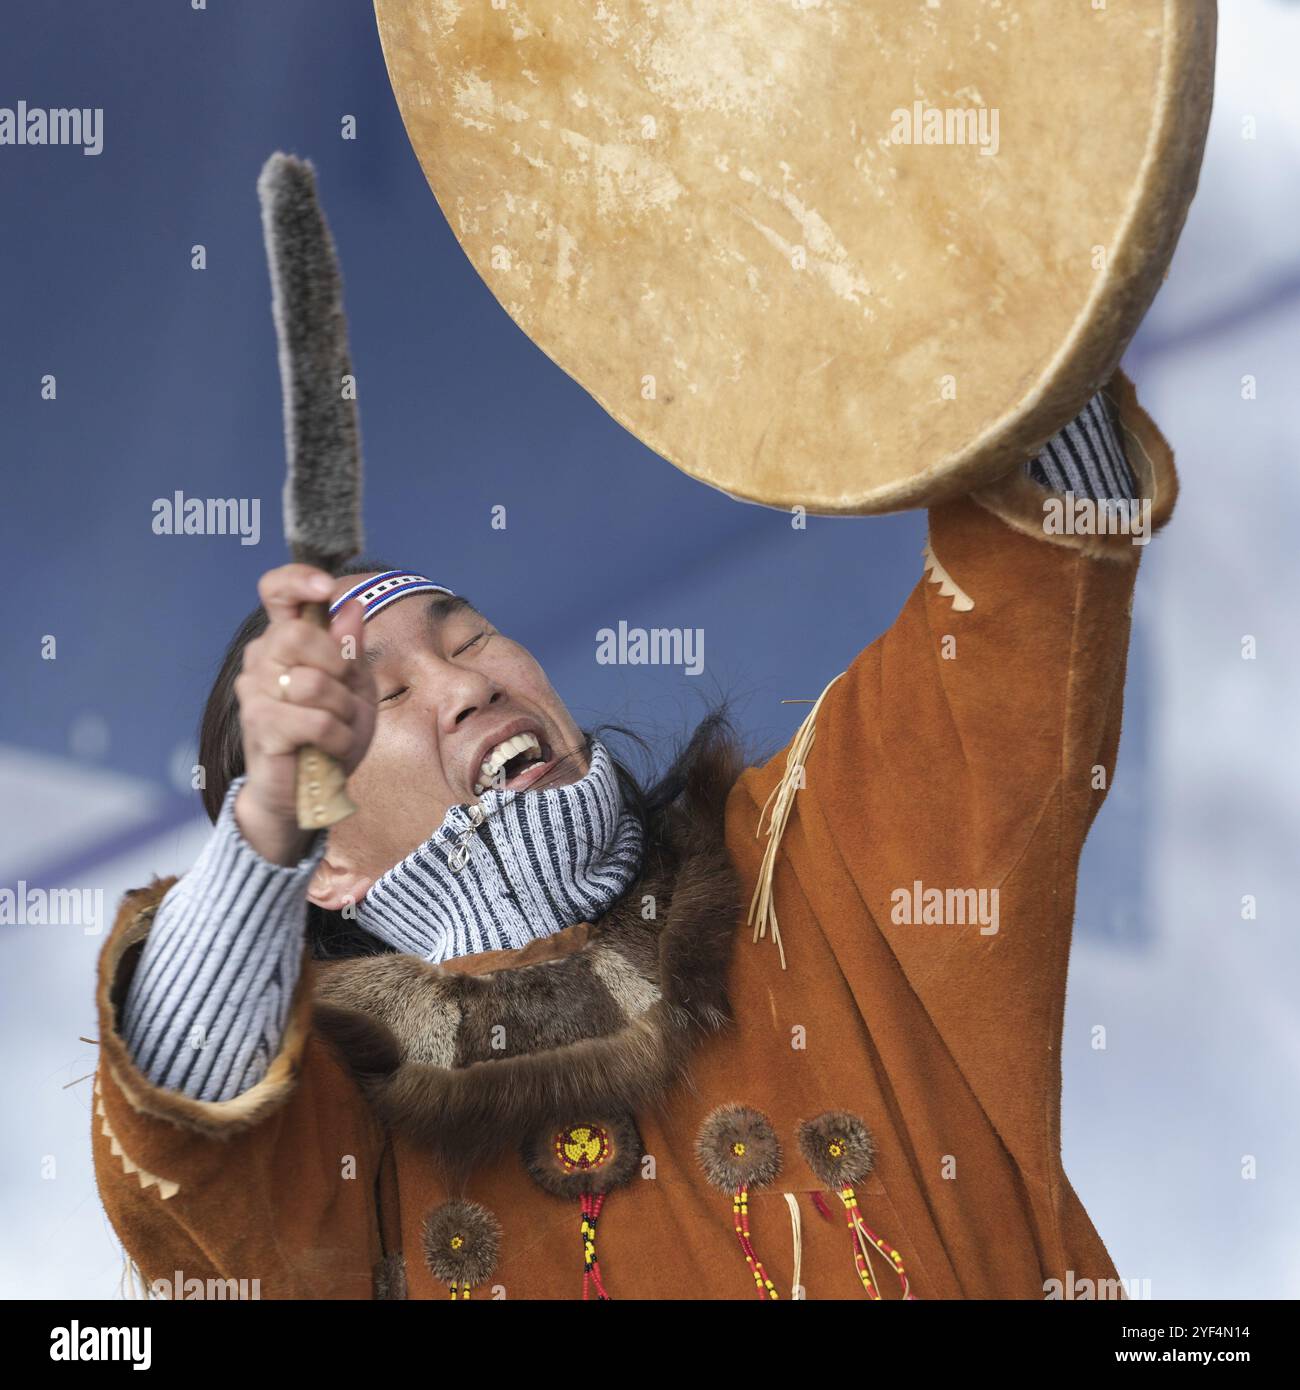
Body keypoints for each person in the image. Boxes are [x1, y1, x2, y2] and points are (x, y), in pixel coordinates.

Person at [91, 376, 1176, 1299]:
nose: (467, 684)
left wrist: (1020, 308)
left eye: (468, 638)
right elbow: (189, 1124)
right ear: (326, 863)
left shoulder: (809, 859)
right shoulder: (342, 1131)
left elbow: (1036, 582)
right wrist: (263, 828)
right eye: (378, 700)